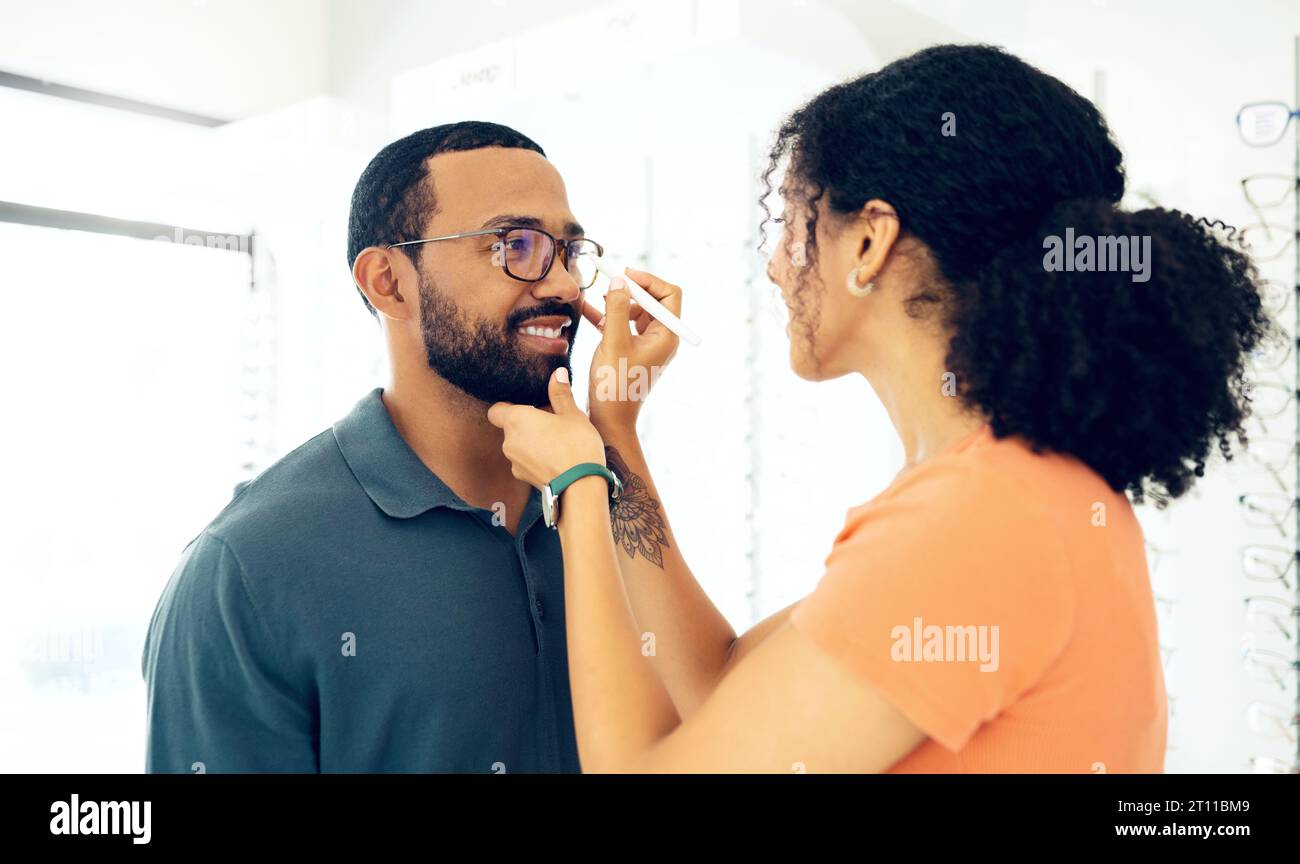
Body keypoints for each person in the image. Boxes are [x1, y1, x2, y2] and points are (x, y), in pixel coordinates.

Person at [485, 44, 1272, 772]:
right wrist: (615, 431)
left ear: (867, 243)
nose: (773, 266)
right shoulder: (1012, 492)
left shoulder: (979, 521)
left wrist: (578, 491)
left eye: (790, 223)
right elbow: (715, 680)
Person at [142, 121, 606, 772]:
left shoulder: (597, 504)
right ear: (388, 281)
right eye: (516, 245)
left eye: (569, 249)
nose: (562, 285)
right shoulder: (245, 570)